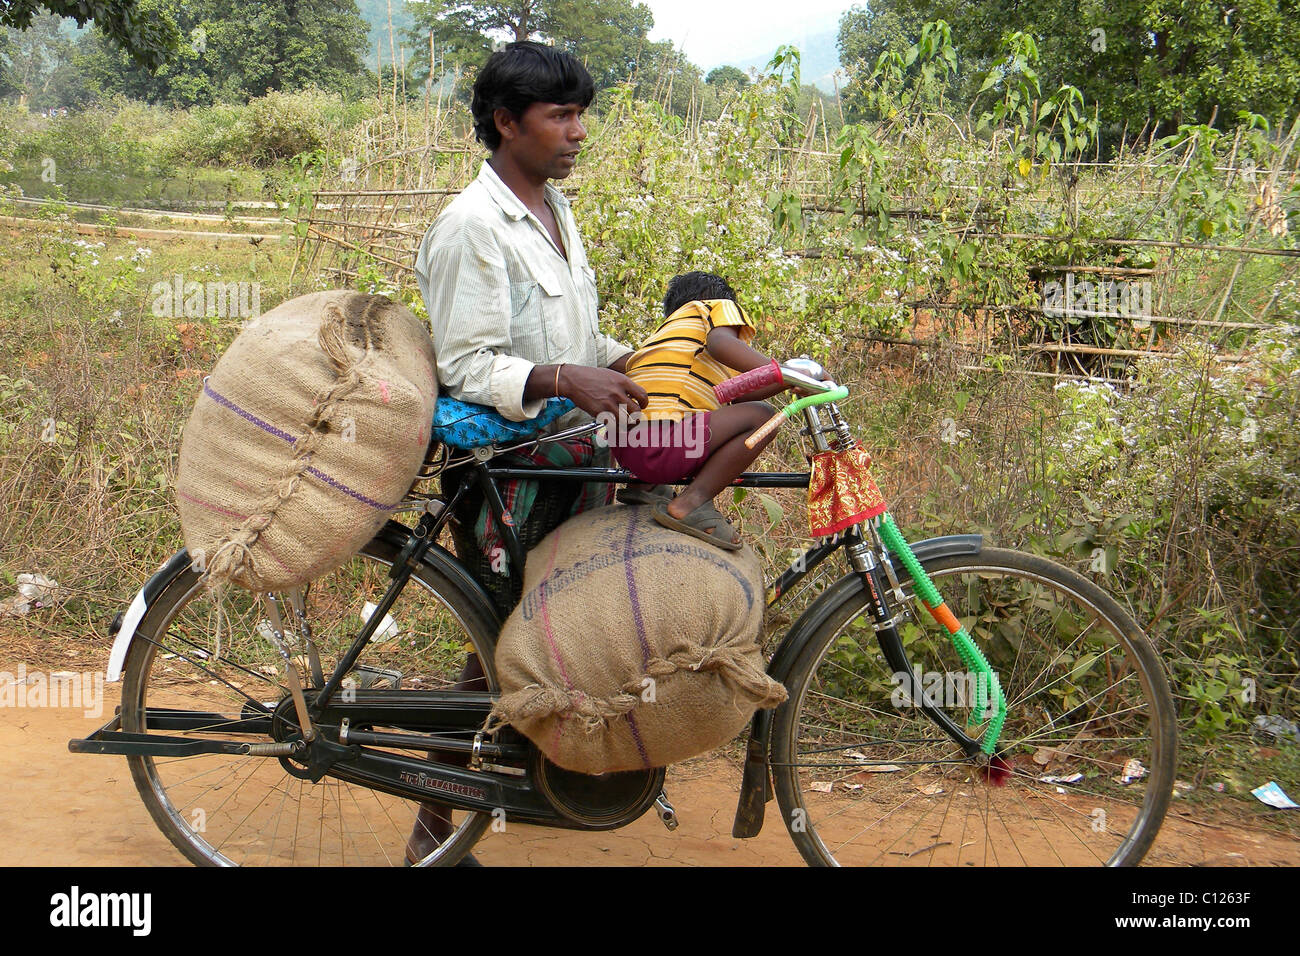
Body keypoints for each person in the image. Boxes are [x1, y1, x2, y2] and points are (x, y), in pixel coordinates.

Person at [408, 41, 646, 865]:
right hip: (509, 475)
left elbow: (577, 337)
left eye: (581, 114)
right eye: (560, 115)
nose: (578, 132)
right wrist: (562, 377)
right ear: (507, 123)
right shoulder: (471, 227)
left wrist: (633, 363)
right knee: (499, 646)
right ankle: (433, 831)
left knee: (534, 637)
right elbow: (465, 365)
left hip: (568, 462)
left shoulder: (552, 209)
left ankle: (509, 789)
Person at [609, 272, 809, 549]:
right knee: (764, 417)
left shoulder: (667, 338)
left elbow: (741, 396)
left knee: (695, 410)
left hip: (626, 448)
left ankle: (644, 487)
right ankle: (691, 503)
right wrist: (785, 371)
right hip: (666, 445)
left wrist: (784, 381)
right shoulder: (715, 306)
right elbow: (723, 345)